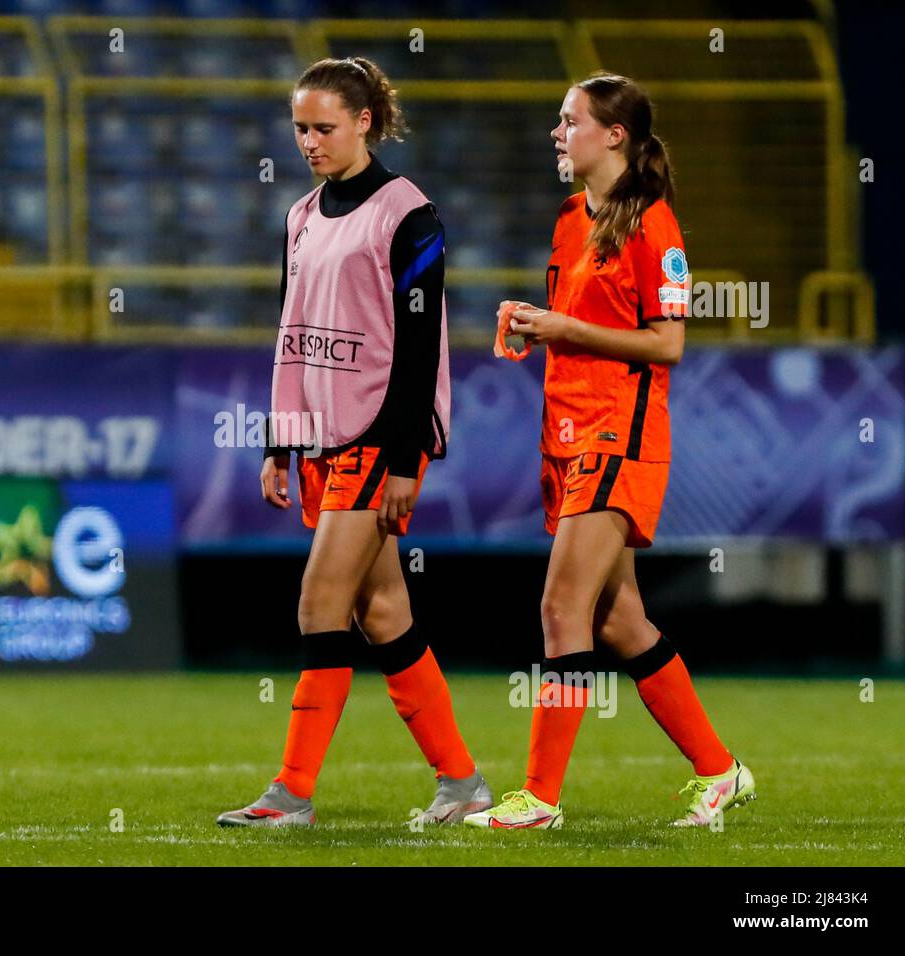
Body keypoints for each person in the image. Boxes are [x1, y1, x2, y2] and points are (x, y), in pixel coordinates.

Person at [465, 73, 755, 830]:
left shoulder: (655, 227)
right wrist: (533, 326)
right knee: (621, 622)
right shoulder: (570, 218)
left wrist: (565, 331)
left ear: (614, 135)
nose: (557, 134)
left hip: (618, 436)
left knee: (561, 606)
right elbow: (575, 319)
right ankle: (720, 771)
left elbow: (668, 344)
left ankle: (539, 798)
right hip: (564, 429)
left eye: (570, 121)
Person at [216, 56, 491, 827]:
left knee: (319, 599)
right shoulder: (301, 217)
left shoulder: (411, 217)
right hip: (324, 440)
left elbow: (419, 347)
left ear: (365, 122)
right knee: (382, 611)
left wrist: (407, 460)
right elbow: (292, 337)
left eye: (323, 127)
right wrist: (282, 441)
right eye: (300, 128)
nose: (309, 141)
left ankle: (291, 792)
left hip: (378, 437)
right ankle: (463, 784)